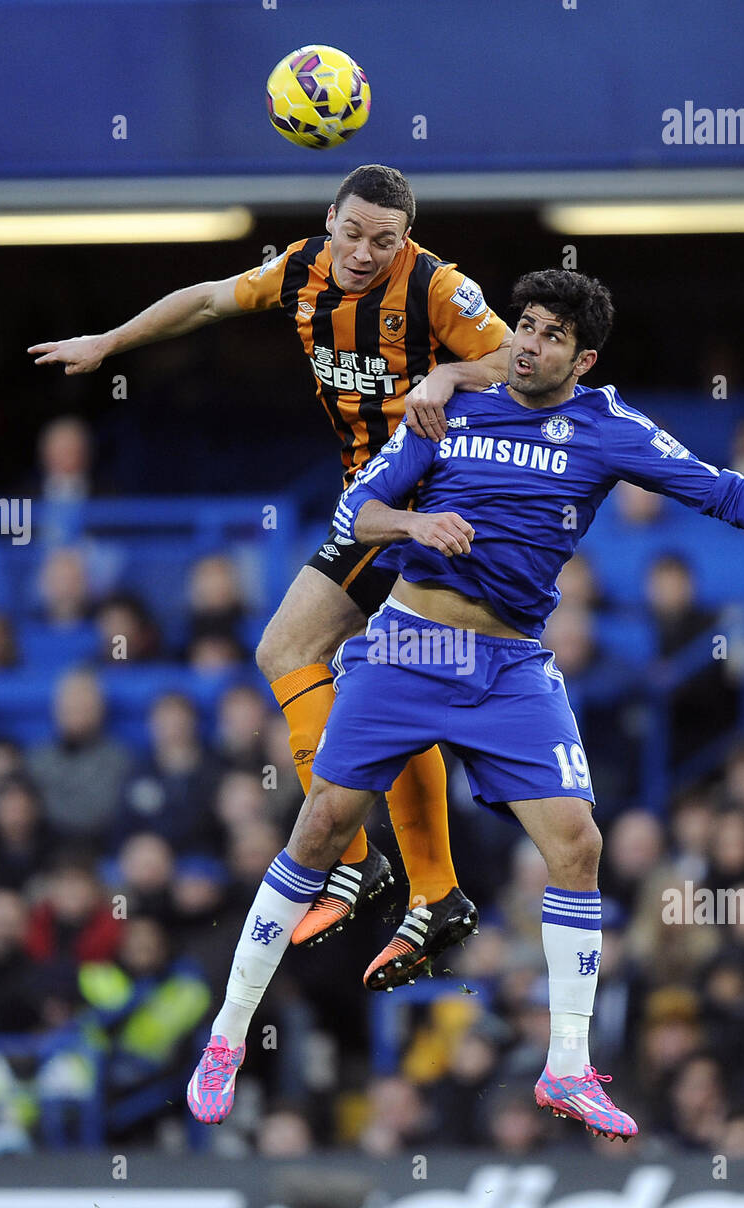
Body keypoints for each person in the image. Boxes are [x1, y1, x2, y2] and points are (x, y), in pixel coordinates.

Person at [186, 268, 744, 1138]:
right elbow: (358, 511)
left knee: (579, 842)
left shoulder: (607, 427)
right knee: (320, 828)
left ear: (581, 359)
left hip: (509, 666)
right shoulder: (450, 410)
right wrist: (416, 525)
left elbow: (721, 491)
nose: (528, 343)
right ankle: (229, 1035)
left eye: (549, 336)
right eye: (526, 326)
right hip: (408, 646)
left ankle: (569, 1068)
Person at [28, 163, 511, 968]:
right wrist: (111, 341)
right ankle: (426, 888)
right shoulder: (299, 270)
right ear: (332, 219)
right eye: (351, 233)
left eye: (382, 241)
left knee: (295, 652)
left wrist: (452, 370)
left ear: (406, 240)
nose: (362, 253)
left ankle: (369, 869)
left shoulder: (438, 288)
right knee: (357, 678)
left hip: (432, 508)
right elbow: (211, 297)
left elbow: (522, 366)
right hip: (376, 505)